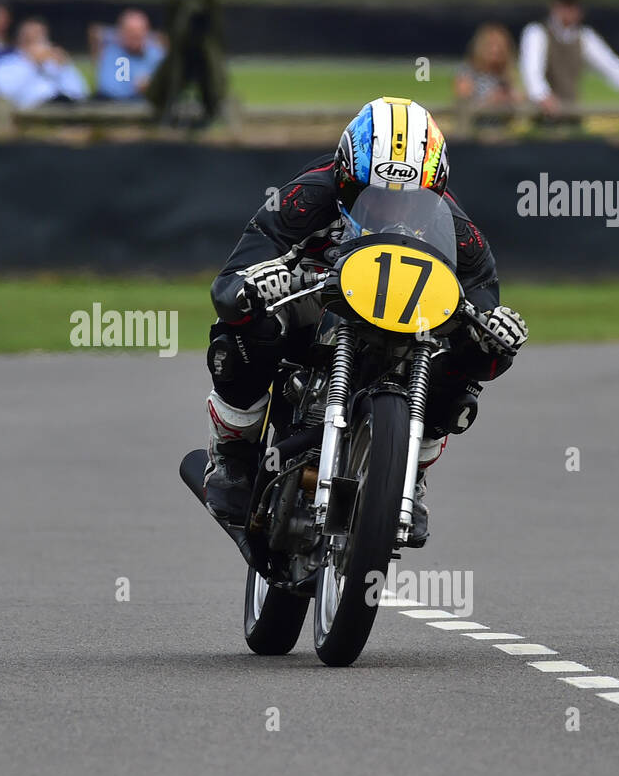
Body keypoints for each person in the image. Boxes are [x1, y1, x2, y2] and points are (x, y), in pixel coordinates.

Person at [201, 97, 528, 547]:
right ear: (343, 178)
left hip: (407, 320)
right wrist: (261, 282)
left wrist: (494, 334)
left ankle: (408, 476)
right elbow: (230, 284)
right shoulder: (305, 198)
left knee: (465, 372)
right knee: (242, 330)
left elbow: (482, 298)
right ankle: (233, 451)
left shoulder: (458, 229)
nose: (391, 213)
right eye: (372, 197)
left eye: (408, 203)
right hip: (316, 305)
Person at [519, 0, 619, 119]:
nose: (568, 11)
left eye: (572, 6)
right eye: (564, 5)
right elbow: (531, 71)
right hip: (540, 118)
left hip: (570, 117)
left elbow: (613, 68)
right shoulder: (537, 33)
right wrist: (542, 96)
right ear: (555, 7)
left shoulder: (585, 37)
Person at [0, 18, 87, 109]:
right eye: (30, 38)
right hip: (30, 113)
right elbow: (4, 93)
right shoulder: (7, 62)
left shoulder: (54, 61)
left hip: (64, 108)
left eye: (40, 37)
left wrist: (64, 67)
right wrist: (31, 64)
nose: (37, 43)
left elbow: (80, 93)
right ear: (20, 39)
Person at [94, 9, 165, 101]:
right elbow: (107, 89)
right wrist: (135, 87)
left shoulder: (157, 54)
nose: (136, 37)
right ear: (121, 33)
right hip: (116, 104)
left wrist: (152, 87)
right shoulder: (111, 52)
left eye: (139, 33)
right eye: (131, 33)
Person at [454, 23, 521, 119]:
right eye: (491, 45)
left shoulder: (507, 73)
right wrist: (490, 101)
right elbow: (463, 103)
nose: (496, 50)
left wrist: (511, 98)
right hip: (476, 124)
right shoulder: (467, 72)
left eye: (500, 46)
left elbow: (519, 97)